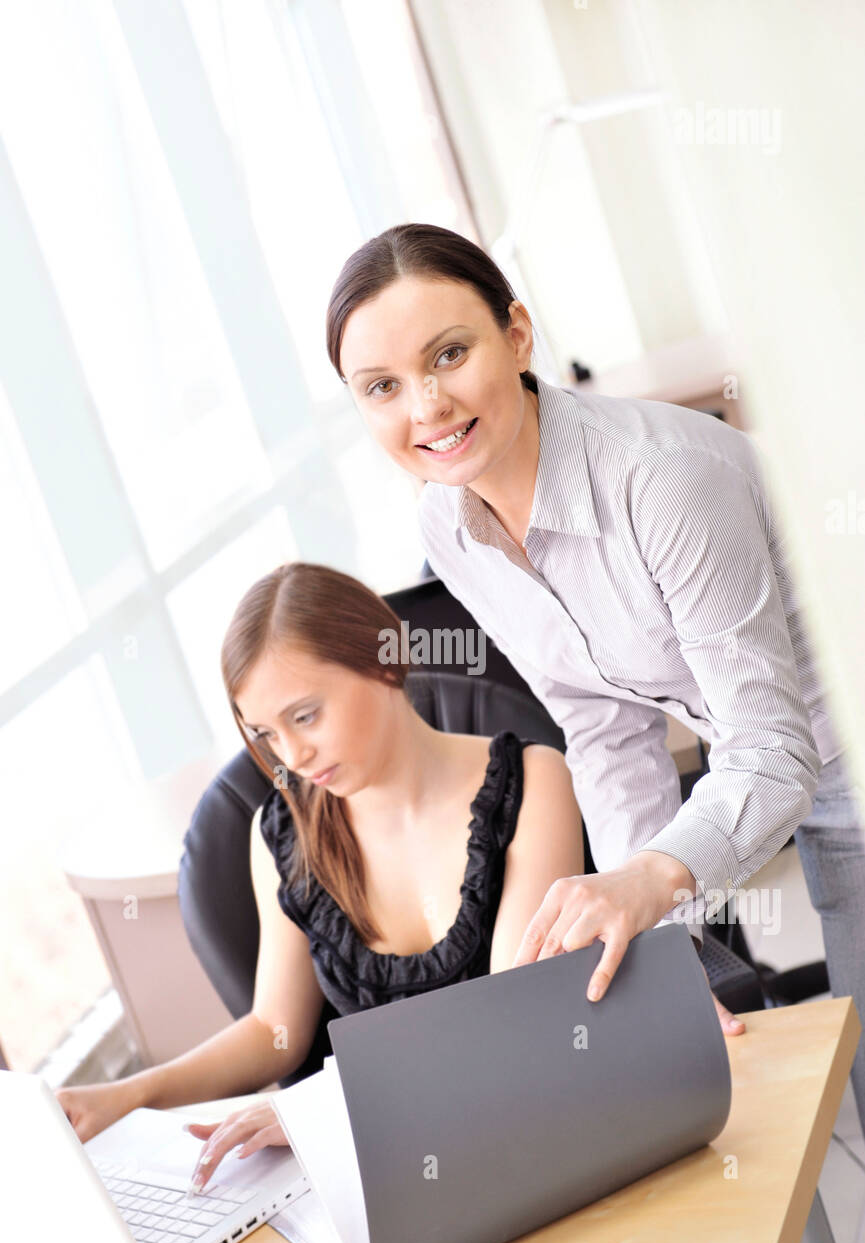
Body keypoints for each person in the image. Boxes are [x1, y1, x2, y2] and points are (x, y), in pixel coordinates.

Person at [326, 222, 865, 1138]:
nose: (424, 407)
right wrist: (652, 933)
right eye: (381, 387)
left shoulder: (663, 482)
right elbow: (604, 727)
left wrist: (652, 881)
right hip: (788, 770)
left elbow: (774, 752)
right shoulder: (449, 527)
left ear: (518, 335)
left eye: (449, 354)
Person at [55, 562, 584, 1190]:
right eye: (266, 734)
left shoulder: (535, 781)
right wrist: (132, 1094)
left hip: (531, 1136)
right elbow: (274, 1033)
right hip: (387, 1168)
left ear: (385, 663)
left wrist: (325, 1113)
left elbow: (511, 1021)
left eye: (305, 716)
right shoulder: (284, 835)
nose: (292, 757)